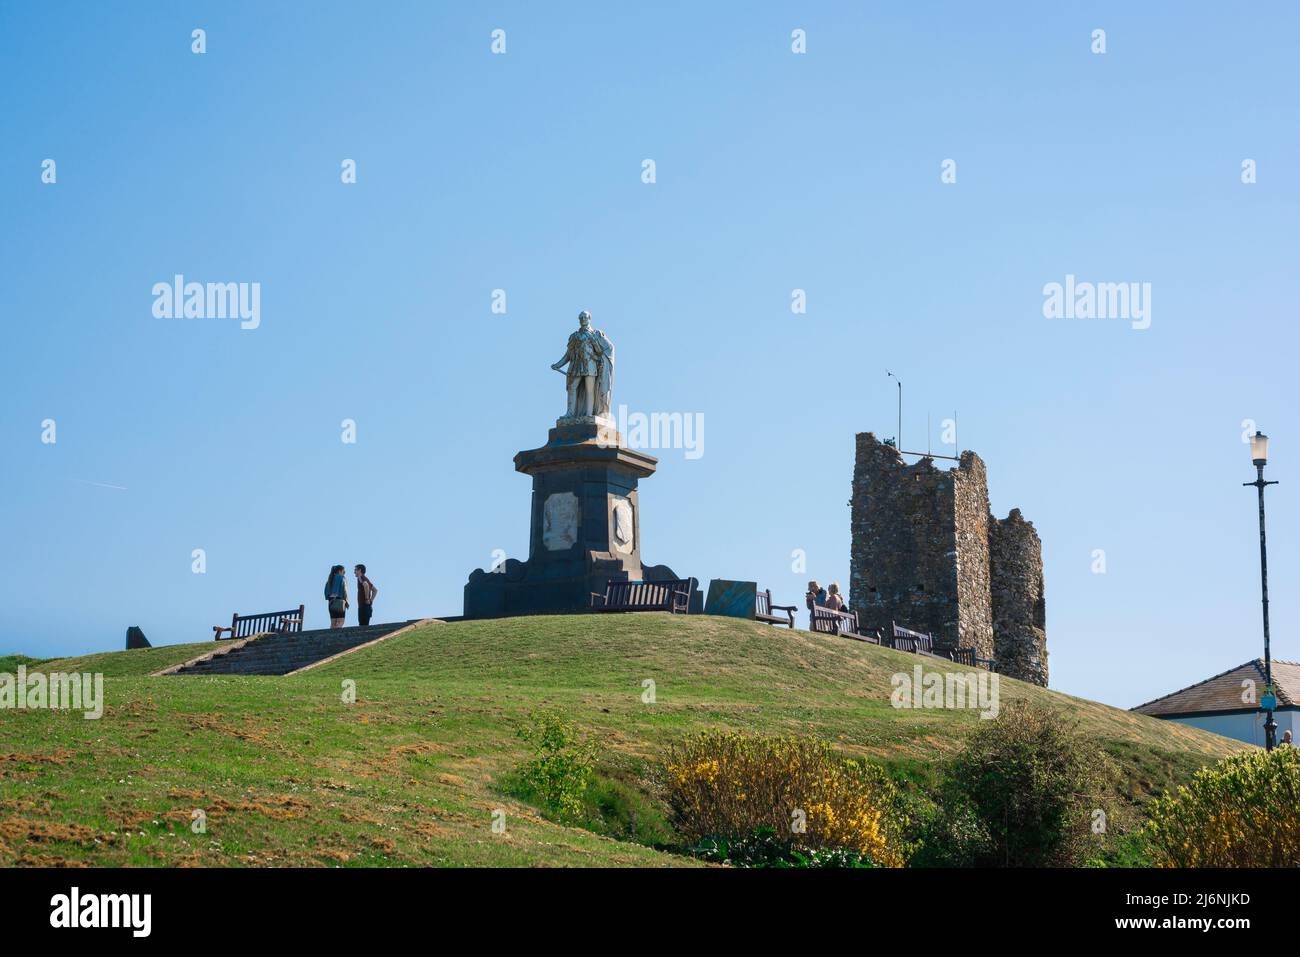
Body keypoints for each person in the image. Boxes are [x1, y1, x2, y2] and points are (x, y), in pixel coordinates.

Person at [324, 564, 349, 629]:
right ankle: (338, 638)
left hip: (331, 603)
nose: (344, 573)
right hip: (339, 602)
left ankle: (330, 637)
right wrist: (347, 602)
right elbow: (345, 591)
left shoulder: (329, 580)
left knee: (333, 623)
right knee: (341, 622)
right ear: (340, 571)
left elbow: (326, 593)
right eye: (344, 571)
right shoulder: (342, 578)